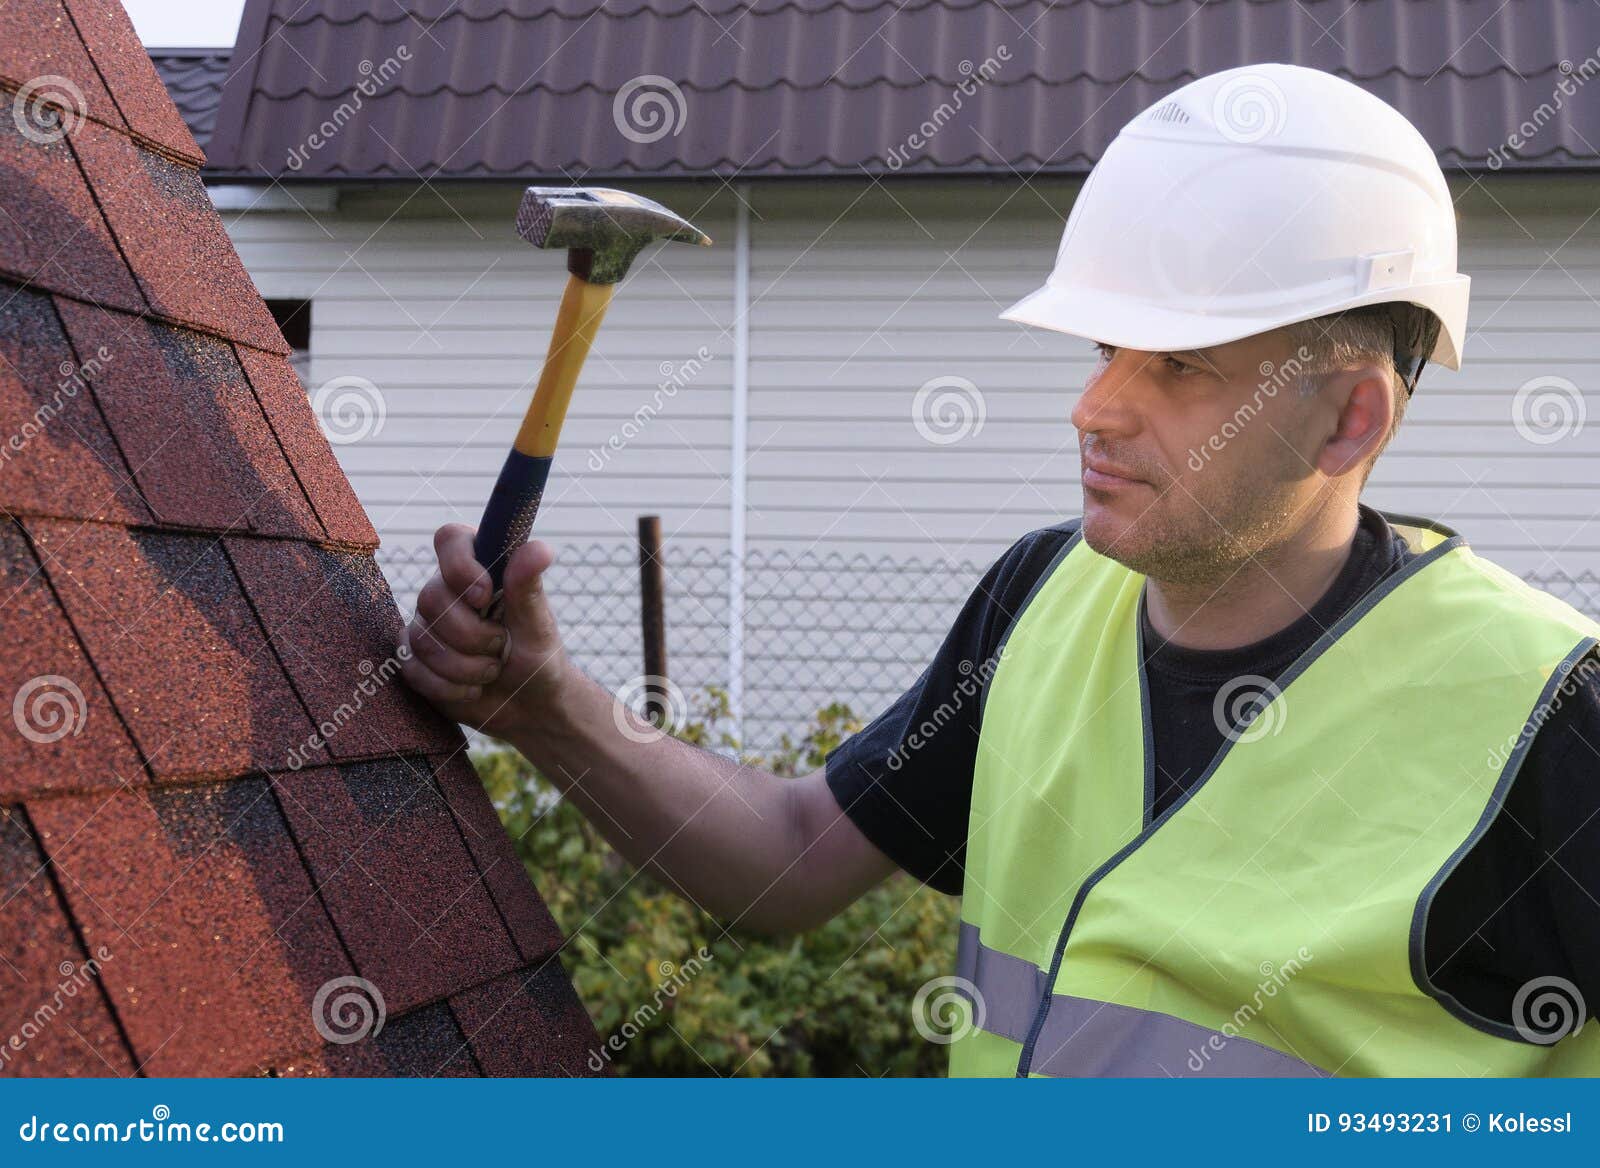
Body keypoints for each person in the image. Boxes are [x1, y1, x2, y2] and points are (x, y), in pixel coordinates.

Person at [401, 63, 1600, 1076]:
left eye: (1180, 369)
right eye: (1103, 350)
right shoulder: (1039, 601)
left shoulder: (1548, 709)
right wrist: (542, 707)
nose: (1094, 408)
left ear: (1349, 420)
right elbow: (791, 864)